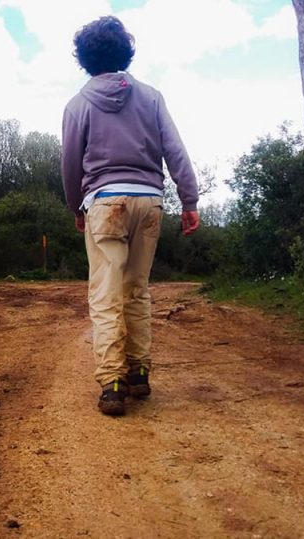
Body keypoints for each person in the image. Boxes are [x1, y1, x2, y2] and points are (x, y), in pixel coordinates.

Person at [61, 16, 200, 416]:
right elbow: (175, 149)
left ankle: (113, 383)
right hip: (149, 201)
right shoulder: (152, 97)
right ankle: (139, 373)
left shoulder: (78, 104)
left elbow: (70, 163)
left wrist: (77, 207)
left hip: (104, 202)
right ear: (126, 52)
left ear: (84, 59)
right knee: (136, 289)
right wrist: (188, 200)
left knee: (106, 295)